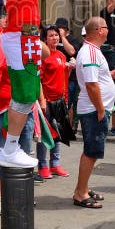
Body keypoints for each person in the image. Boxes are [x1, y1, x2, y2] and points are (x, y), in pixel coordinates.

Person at [0, 0, 99, 169]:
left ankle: (10, 146)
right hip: (21, 35)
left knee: (25, 93)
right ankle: (10, 149)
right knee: (26, 94)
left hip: (21, 34)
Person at [0, 34, 38, 215]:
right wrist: (0, 44)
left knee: (24, 153)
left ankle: (22, 194)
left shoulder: (25, 46)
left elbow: (44, 55)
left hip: (23, 109)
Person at [72, 17, 115, 208]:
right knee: (91, 152)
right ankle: (80, 193)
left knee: (91, 151)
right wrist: (100, 109)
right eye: (106, 27)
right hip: (93, 110)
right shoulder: (90, 52)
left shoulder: (93, 51)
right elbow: (91, 85)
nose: (109, 30)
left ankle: (84, 187)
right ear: (99, 30)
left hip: (95, 108)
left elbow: (96, 79)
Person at [36, 25, 73, 179]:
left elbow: (64, 78)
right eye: (51, 36)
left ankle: (55, 164)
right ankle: (42, 166)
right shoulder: (43, 57)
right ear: (45, 39)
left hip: (60, 100)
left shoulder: (61, 55)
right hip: (47, 100)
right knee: (45, 134)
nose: (55, 38)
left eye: (56, 35)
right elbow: (39, 80)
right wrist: (42, 101)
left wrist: (65, 98)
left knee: (58, 134)